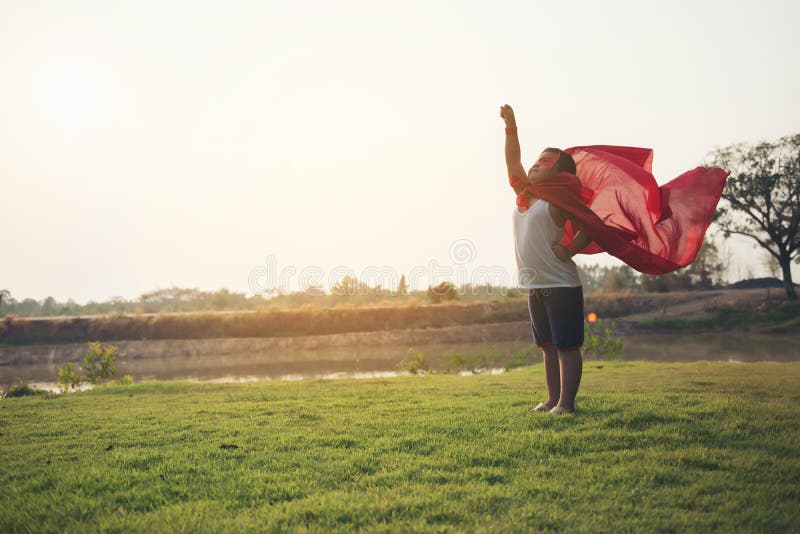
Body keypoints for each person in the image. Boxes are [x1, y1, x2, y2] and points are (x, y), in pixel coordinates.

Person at [500, 103, 592, 415]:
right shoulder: (525, 193)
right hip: (534, 285)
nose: (536, 165)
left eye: (545, 162)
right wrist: (511, 126)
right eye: (537, 159)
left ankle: (567, 404)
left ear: (560, 172)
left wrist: (571, 249)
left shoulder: (558, 201)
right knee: (548, 347)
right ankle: (552, 400)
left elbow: (591, 226)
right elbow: (513, 159)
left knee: (567, 346)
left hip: (561, 283)